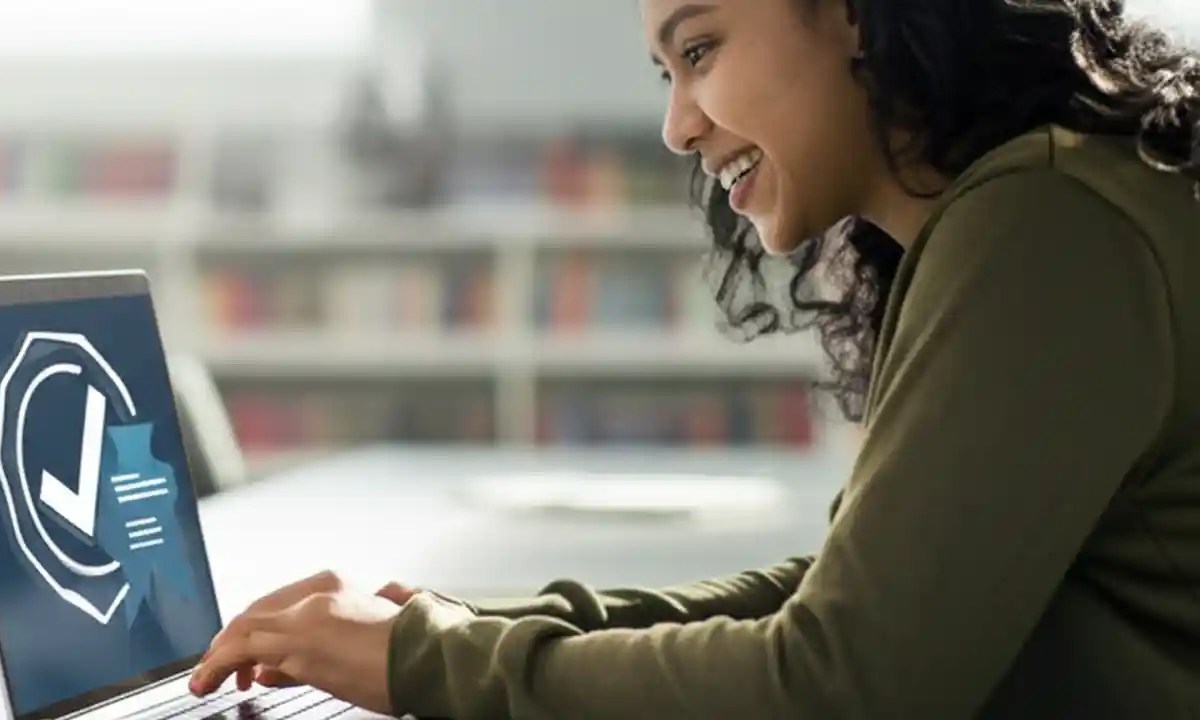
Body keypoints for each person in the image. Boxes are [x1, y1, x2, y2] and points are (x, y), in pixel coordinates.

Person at [189, 0, 1200, 717]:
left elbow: (840, 681)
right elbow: (863, 600)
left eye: (700, 49)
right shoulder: (1038, 197)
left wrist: (432, 664)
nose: (677, 125)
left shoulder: (1043, 225)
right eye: (667, 73)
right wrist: (452, 622)